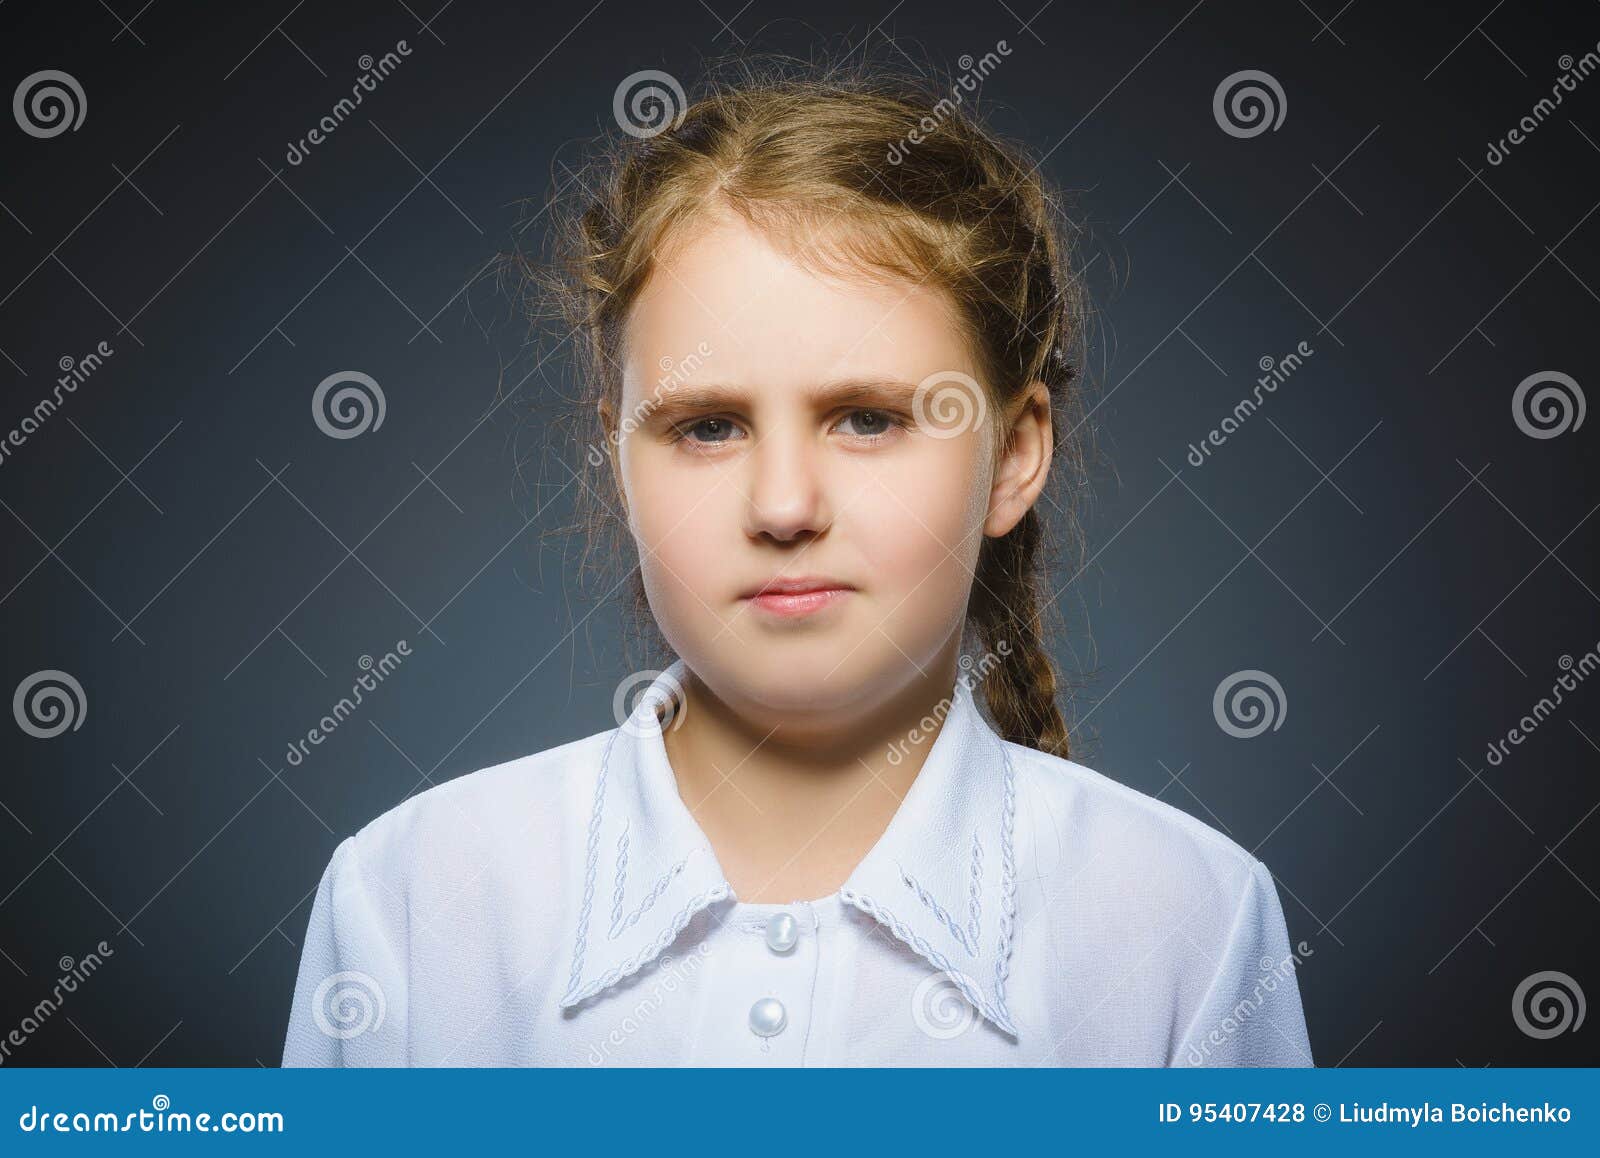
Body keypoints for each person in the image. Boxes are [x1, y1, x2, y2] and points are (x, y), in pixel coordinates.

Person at [282, 56, 1313, 1067]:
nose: (782, 506)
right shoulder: (415, 896)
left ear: (1014, 454)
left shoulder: (1188, 920)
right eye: (705, 427)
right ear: (616, 459)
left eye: (867, 419)